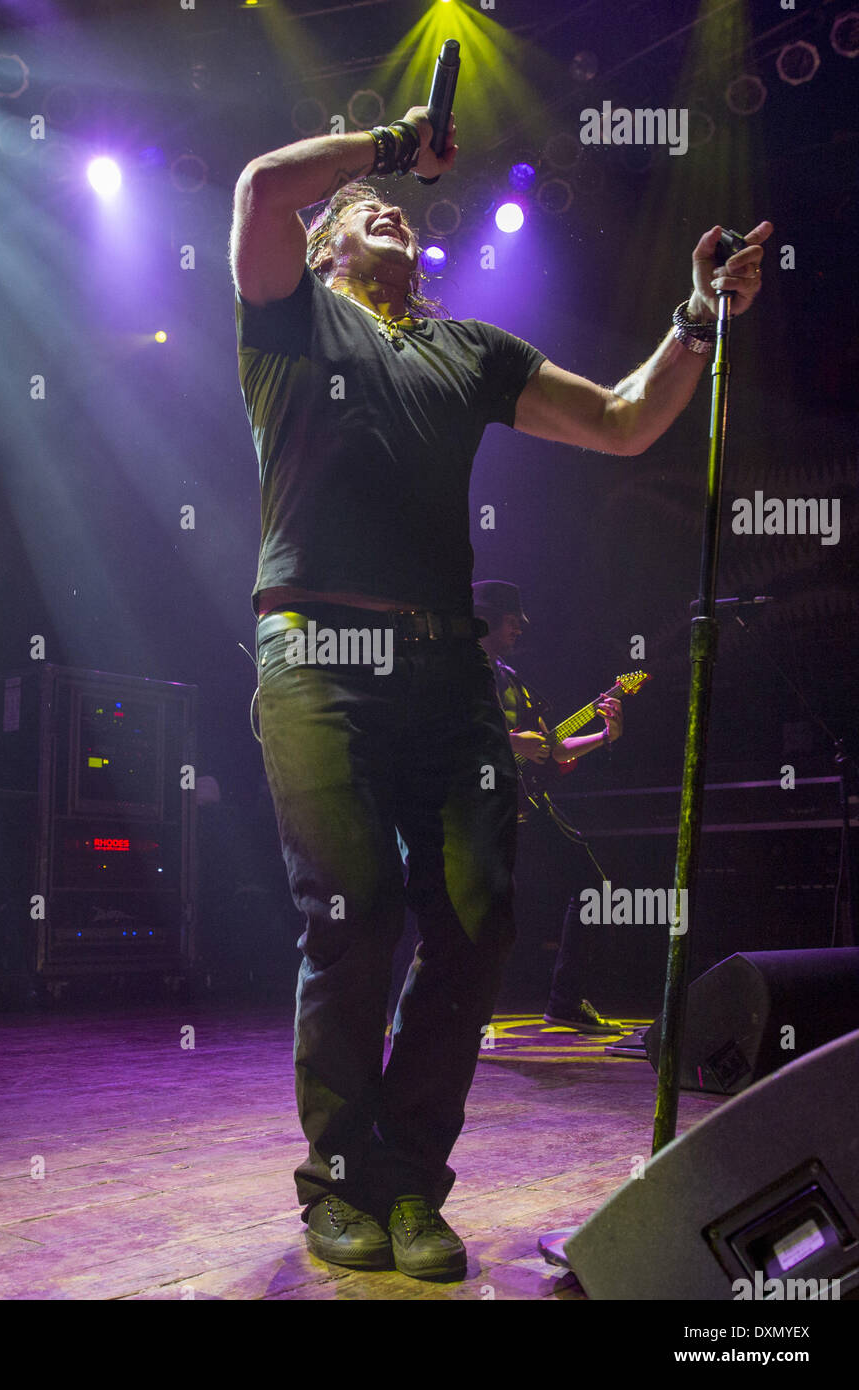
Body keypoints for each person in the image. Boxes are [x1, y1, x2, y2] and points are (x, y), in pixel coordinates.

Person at [230, 104, 768, 1280]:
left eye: (399, 207)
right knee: (355, 909)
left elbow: (625, 422)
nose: (388, 212)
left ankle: (408, 1183)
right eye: (362, 212)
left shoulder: (468, 349)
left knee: (477, 918)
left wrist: (693, 321)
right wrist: (382, 147)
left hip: (444, 668)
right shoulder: (287, 319)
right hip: (315, 655)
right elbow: (267, 183)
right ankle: (334, 1178)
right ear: (324, 250)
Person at [473, 579, 626, 1035]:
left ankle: (565, 1000)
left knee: (594, 886)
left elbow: (553, 749)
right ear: (484, 617)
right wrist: (509, 738)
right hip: (477, 809)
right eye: (510, 617)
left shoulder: (510, 678)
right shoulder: (457, 673)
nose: (520, 625)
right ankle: (460, 1015)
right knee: (475, 910)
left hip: (523, 805)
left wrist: (602, 736)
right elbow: (447, 736)